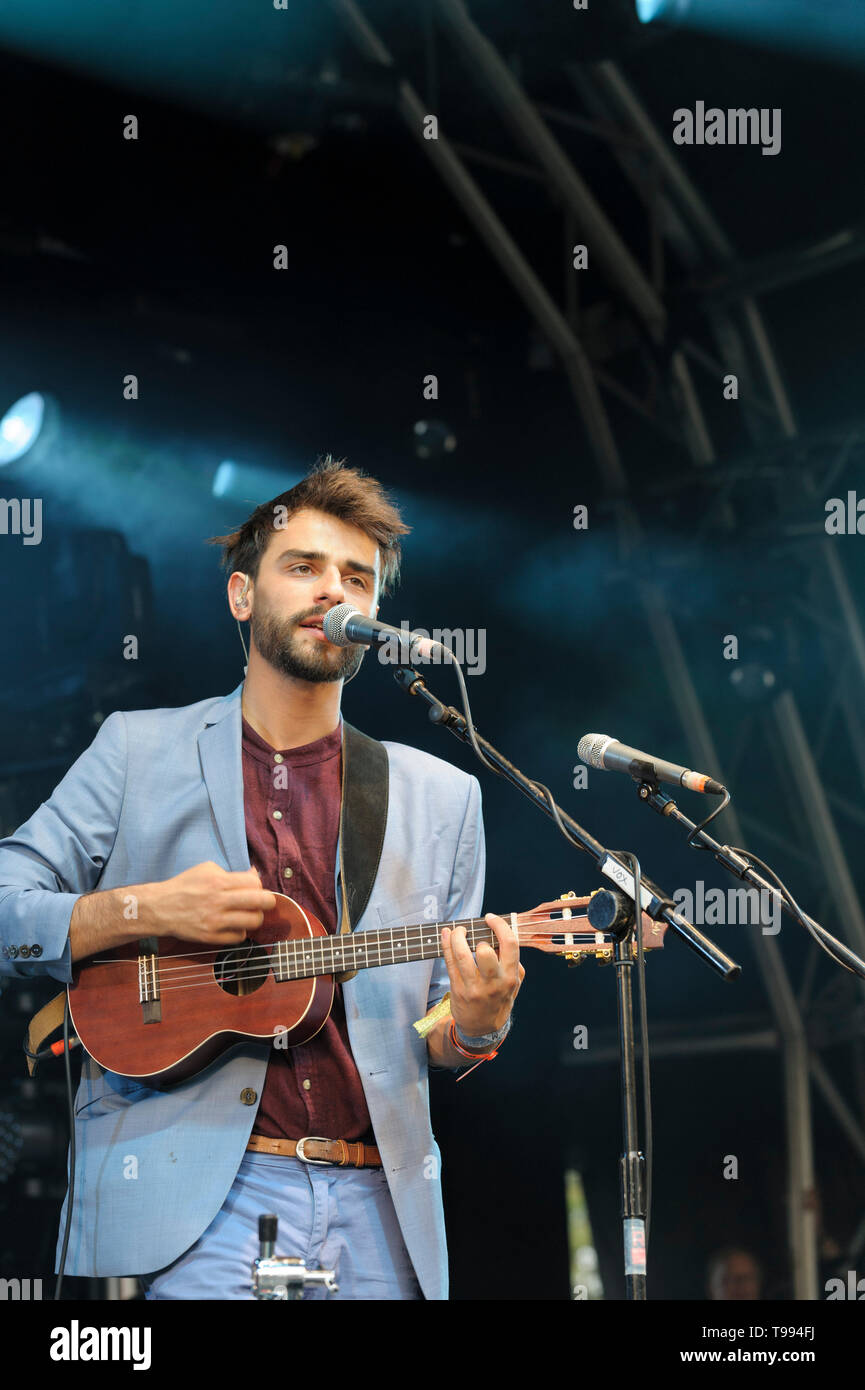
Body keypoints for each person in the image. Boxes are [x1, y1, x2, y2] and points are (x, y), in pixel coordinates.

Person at [0, 458, 524, 1300]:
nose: (334, 591)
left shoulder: (443, 795)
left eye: (357, 577)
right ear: (243, 595)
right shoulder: (137, 750)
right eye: (303, 566)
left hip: (378, 1211)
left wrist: (476, 1024)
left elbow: (434, 1028)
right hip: (195, 1208)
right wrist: (149, 906)